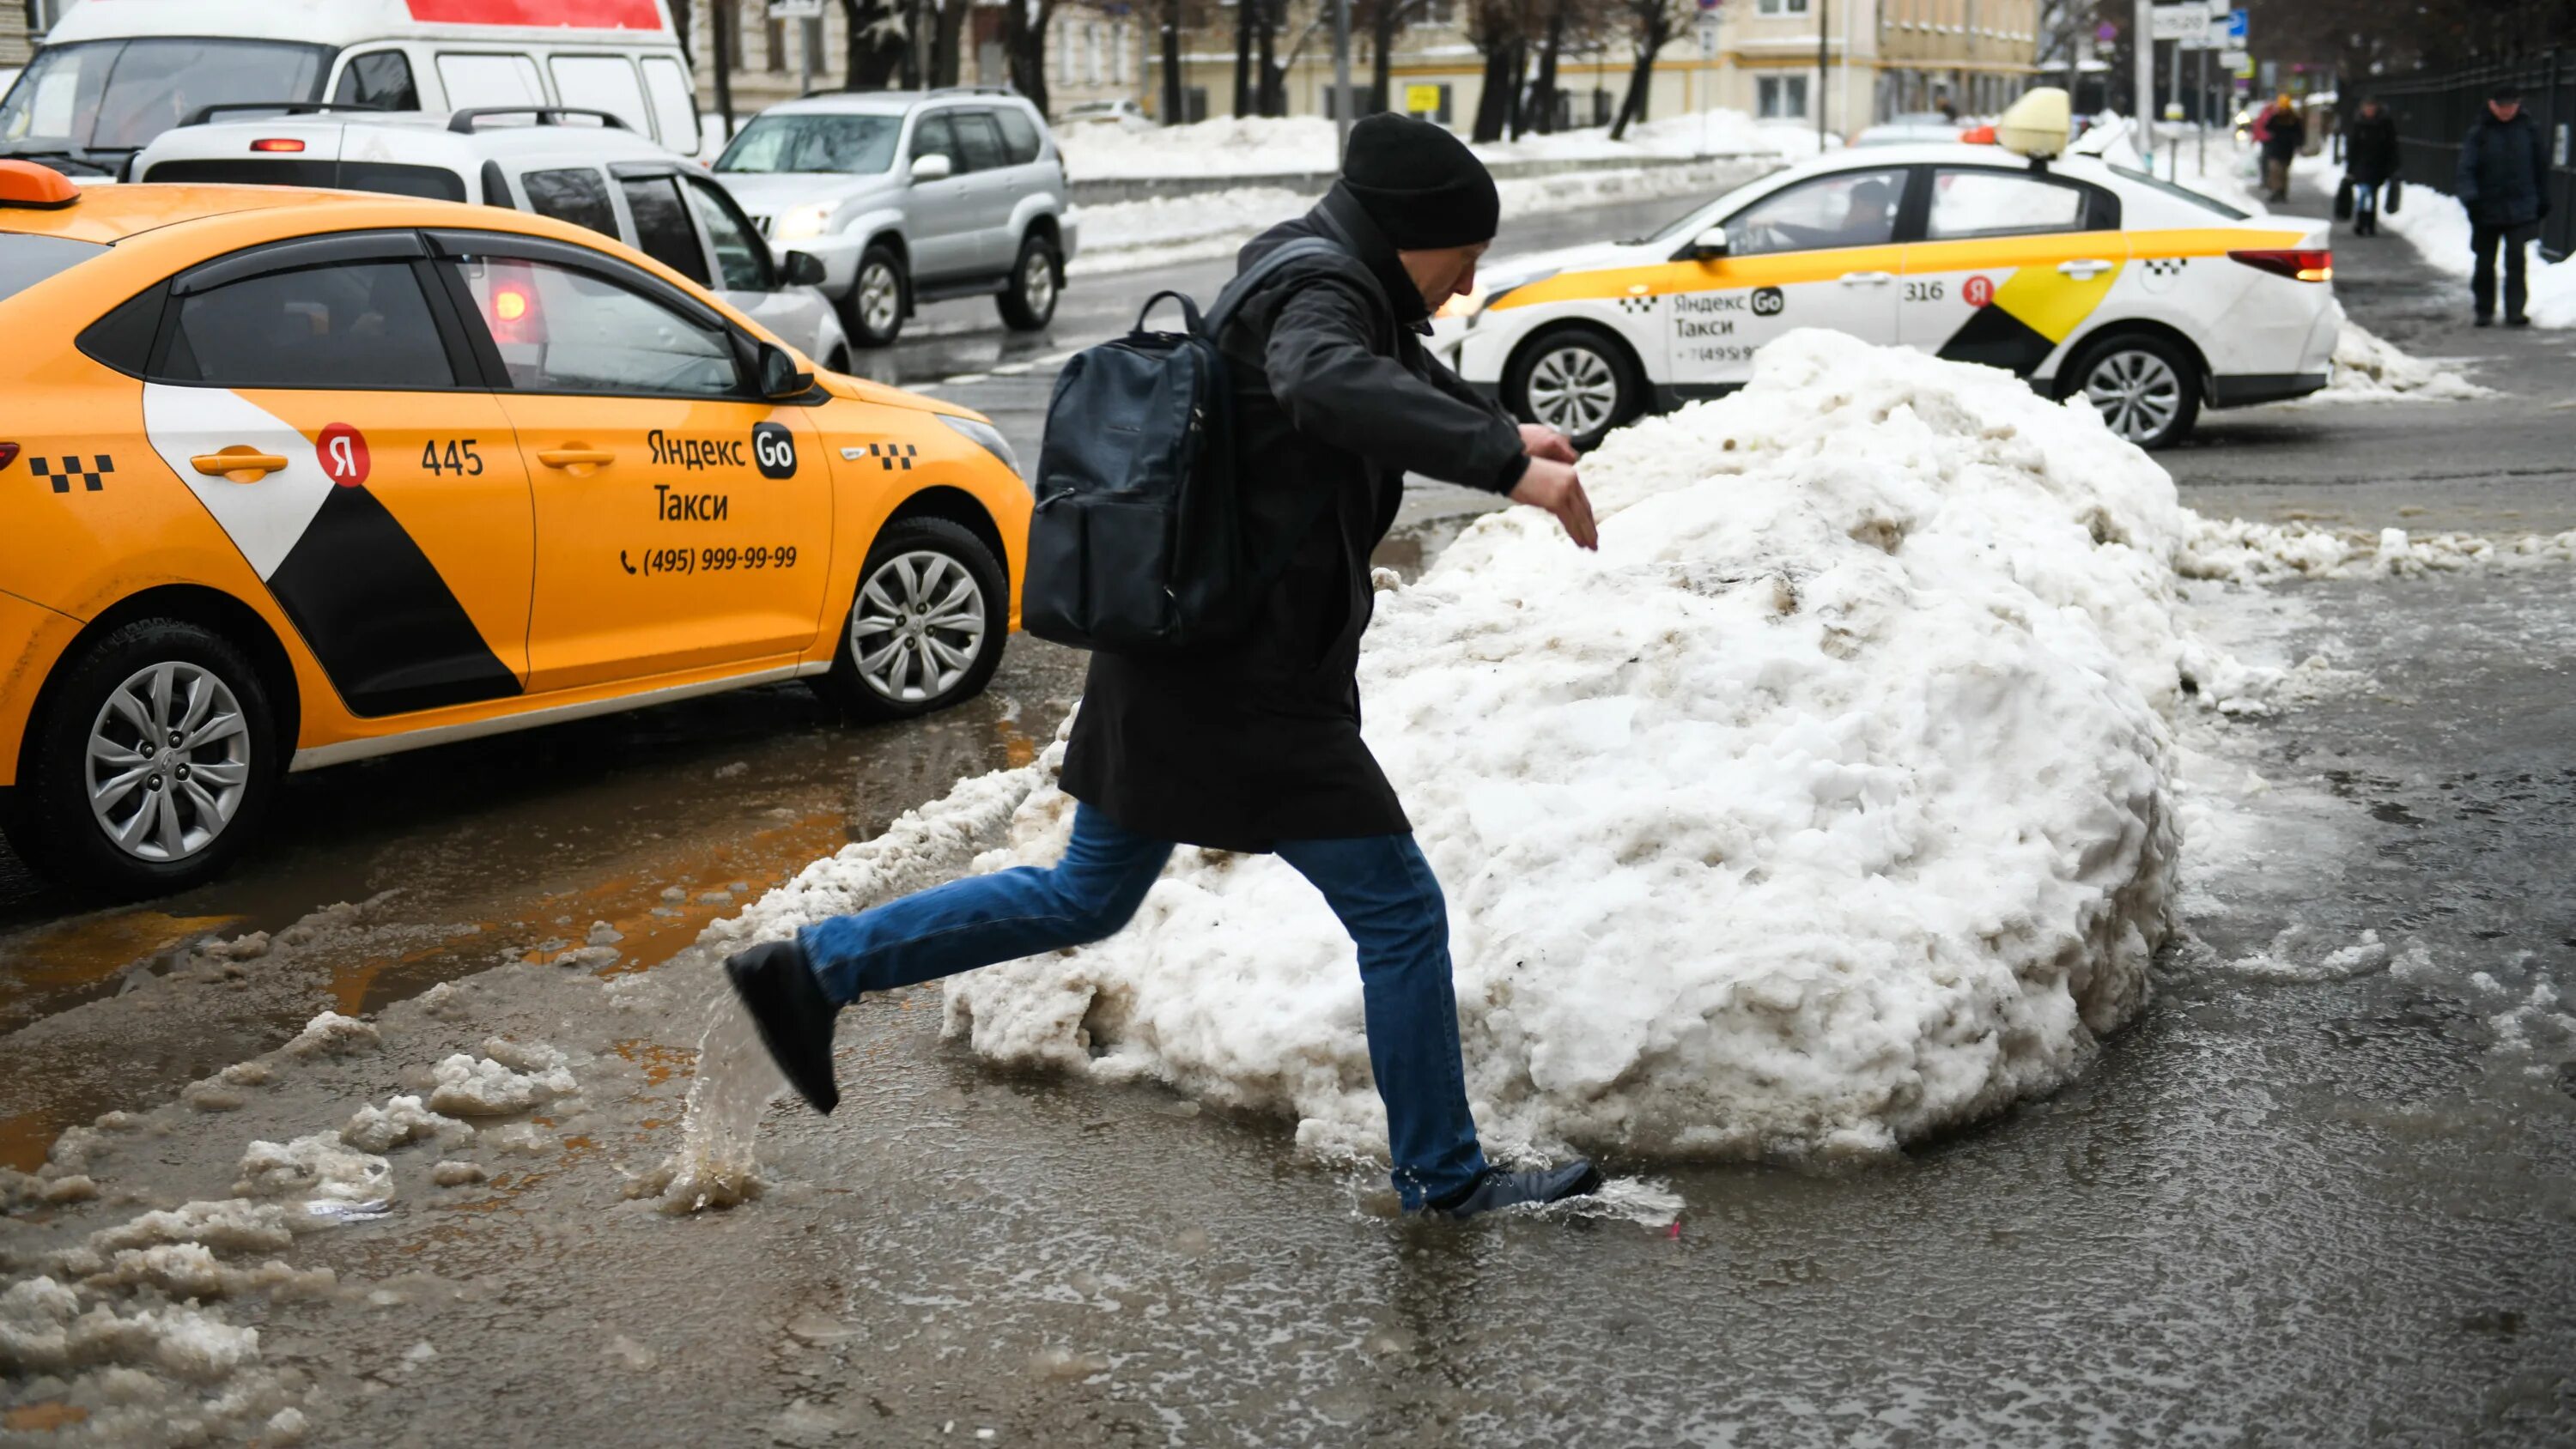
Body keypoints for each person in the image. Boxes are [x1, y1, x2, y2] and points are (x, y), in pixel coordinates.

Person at [723, 113, 1607, 1221]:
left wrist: (1497, 426)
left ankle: (813, 969)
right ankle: (1446, 1174)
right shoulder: (1323, 296)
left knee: (1085, 890)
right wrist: (1497, 464)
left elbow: (1395, 372)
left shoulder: (1313, 269)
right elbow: (1327, 380)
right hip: (1250, 684)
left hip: (1183, 660)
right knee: (1400, 913)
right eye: (1465, 257)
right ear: (1411, 235)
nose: (1467, 283)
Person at [2456, 83, 2549, 327]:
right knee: (2485, 261)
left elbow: (2540, 168)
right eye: (2503, 106)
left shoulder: (2529, 131)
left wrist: (2543, 198)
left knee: (2517, 260)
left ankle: (2515, 310)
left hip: (2520, 207)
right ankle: (2484, 309)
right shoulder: (2480, 133)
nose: (2507, 111)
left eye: (2512, 106)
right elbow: (2466, 169)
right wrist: (2472, 199)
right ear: (2492, 105)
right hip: (2486, 208)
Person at [2343, 98, 2398, 238]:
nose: (2369, 110)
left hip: (2378, 165)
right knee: (2364, 193)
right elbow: (2352, 147)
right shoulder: (2359, 124)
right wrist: (2350, 168)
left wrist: (2393, 166)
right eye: (2367, 107)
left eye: (2371, 107)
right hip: (2361, 165)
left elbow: (2392, 147)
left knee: (2372, 194)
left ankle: (2369, 223)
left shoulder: (2384, 124)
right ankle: (2362, 222)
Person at [2259, 94, 2305, 204]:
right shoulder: (2275, 118)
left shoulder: (2293, 119)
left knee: (2283, 171)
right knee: (2275, 170)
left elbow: (2299, 134)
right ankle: (2276, 191)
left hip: (2286, 149)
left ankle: (2282, 192)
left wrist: (2297, 143)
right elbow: (2267, 127)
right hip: (2275, 149)